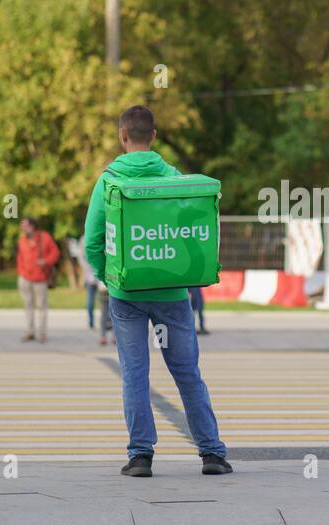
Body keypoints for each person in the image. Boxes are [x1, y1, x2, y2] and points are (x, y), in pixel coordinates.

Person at [84, 104, 231, 478]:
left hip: (127, 296)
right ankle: (211, 453)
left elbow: (92, 243)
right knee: (187, 373)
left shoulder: (108, 182)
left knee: (135, 373)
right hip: (171, 293)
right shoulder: (175, 179)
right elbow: (183, 234)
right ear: (153, 136)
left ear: (122, 136)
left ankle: (140, 457)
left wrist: (111, 278)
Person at [17, 217, 60, 344]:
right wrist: (21, 272)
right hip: (25, 278)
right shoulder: (21, 240)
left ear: (32, 226)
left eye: (25, 226)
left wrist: (45, 261)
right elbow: (19, 258)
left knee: (41, 307)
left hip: (40, 278)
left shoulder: (44, 237)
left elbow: (55, 253)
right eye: (22, 226)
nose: (23, 228)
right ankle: (29, 331)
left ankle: (41, 333)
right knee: (27, 305)